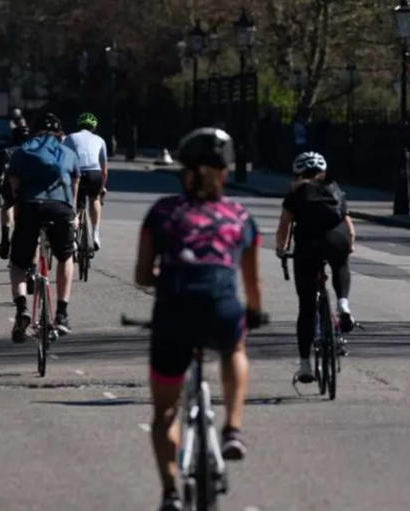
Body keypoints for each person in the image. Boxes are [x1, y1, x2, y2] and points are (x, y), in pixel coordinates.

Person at [134, 127, 266, 511]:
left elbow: (142, 275)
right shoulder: (240, 216)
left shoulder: (162, 212)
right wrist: (253, 313)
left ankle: (171, 492)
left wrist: (169, 276)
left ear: (184, 171)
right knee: (235, 347)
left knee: (165, 413)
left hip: (173, 312)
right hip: (221, 310)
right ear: (225, 172)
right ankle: (233, 428)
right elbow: (252, 284)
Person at [275, 151, 356, 384]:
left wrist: (281, 249)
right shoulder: (335, 189)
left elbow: (284, 226)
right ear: (323, 171)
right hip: (335, 241)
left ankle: (305, 366)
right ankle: (343, 303)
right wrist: (349, 246)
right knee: (340, 263)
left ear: (297, 172)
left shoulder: (295, 192)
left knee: (307, 308)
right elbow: (349, 228)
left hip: (307, 247)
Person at [7, 112, 80, 341]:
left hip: (30, 207)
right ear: (59, 133)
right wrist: (73, 214)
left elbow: (14, 188)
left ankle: (22, 309)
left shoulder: (22, 152)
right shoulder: (68, 153)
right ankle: (62, 313)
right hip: (61, 209)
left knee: (18, 263)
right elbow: (74, 185)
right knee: (65, 257)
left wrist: (18, 215)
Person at [63, 112, 108, 251]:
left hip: (78, 173)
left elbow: (63, 159)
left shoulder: (70, 137)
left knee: (76, 203)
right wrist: (102, 187)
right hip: (95, 173)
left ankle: (73, 232)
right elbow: (104, 169)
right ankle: (95, 234)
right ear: (94, 127)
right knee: (95, 199)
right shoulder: (100, 140)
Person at [0, 124, 29, 259]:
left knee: (7, 204)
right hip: (31, 188)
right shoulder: (34, 151)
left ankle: (5, 237)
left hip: (10, 188)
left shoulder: (3, 154)